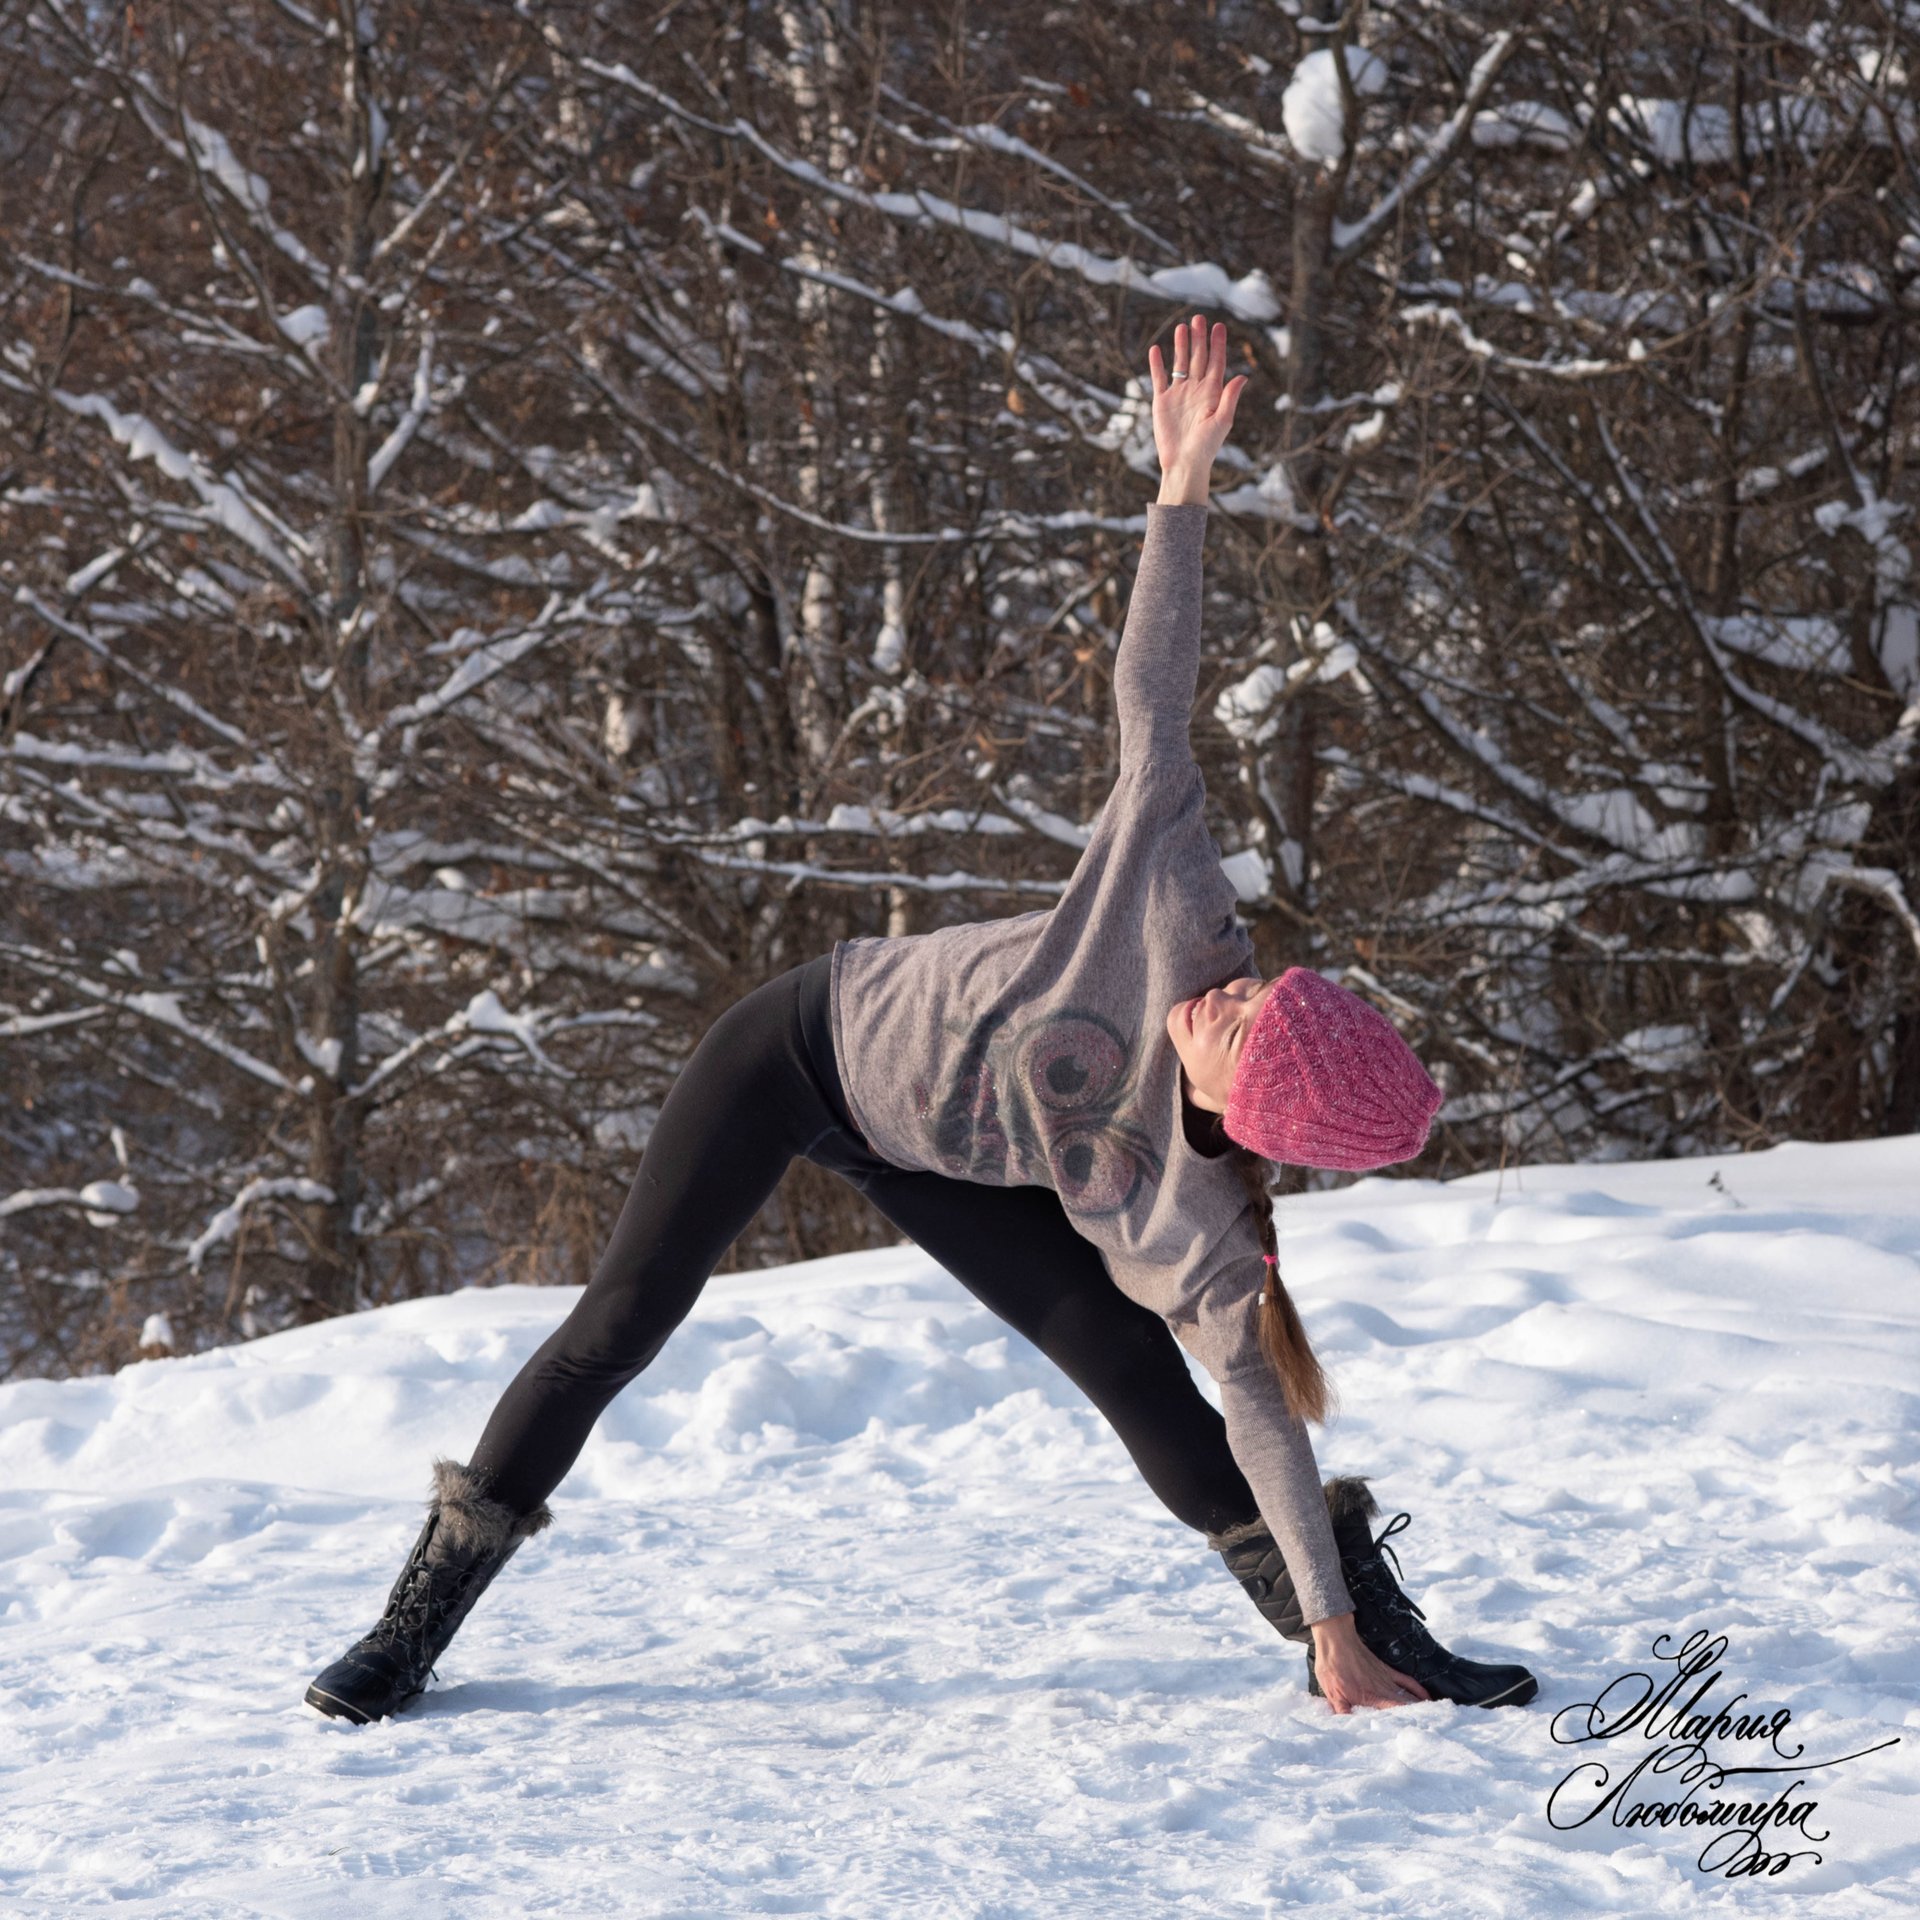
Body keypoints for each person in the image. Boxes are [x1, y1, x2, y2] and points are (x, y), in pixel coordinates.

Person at [305, 315, 1536, 1726]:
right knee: (621, 1323)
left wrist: (1329, 1615)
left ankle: (1368, 1638)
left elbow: (1264, 1408)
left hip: (933, 1155)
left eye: (1248, 1021)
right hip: (803, 1051)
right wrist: (1180, 488)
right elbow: (1154, 706)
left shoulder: (1203, 1230)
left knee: (1153, 1385)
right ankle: (409, 1630)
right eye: (1269, 988)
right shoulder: (1177, 909)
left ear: (1251, 1108)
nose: (1235, 988)